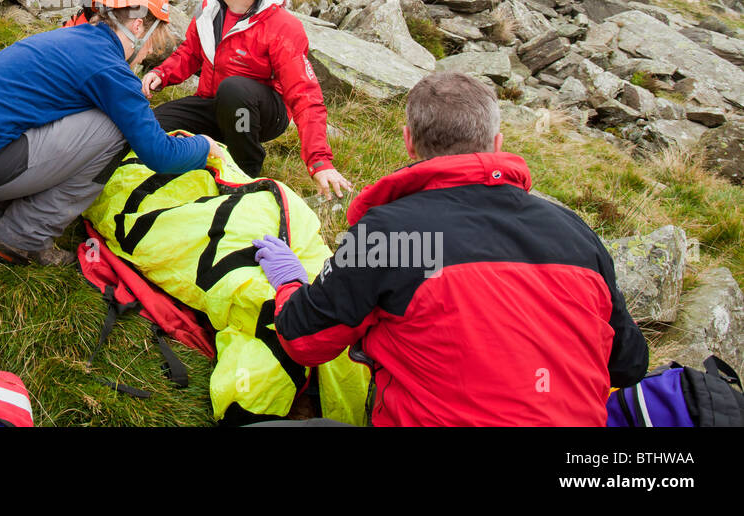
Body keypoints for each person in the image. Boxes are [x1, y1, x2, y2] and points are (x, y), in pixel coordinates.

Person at [253, 71, 649, 426]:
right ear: (497, 144)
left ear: (409, 142)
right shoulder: (577, 234)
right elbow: (629, 365)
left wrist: (290, 283)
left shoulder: (389, 234)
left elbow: (304, 340)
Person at [0, 0, 224, 266]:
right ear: (138, 27)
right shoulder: (109, 68)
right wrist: (203, 146)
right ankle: (25, 236)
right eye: (154, 41)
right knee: (115, 129)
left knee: (77, 114)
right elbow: (159, 154)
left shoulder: (75, 37)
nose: (149, 51)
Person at [144, 0, 350, 197]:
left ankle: (246, 170)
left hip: (261, 113)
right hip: (213, 103)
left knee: (234, 90)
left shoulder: (283, 27)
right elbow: (191, 52)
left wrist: (319, 161)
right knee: (151, 126)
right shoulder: (209, 9)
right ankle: (203, 154)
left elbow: (305, 95)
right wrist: (161, 74)